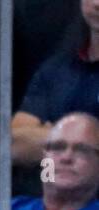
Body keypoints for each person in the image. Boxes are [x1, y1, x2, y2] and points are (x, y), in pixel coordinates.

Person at [12, 0, 99, 171]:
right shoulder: (57, 68)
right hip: (51, 190)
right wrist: (87, 144)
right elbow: (13, 144)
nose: (97, 4)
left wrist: (47, 135)